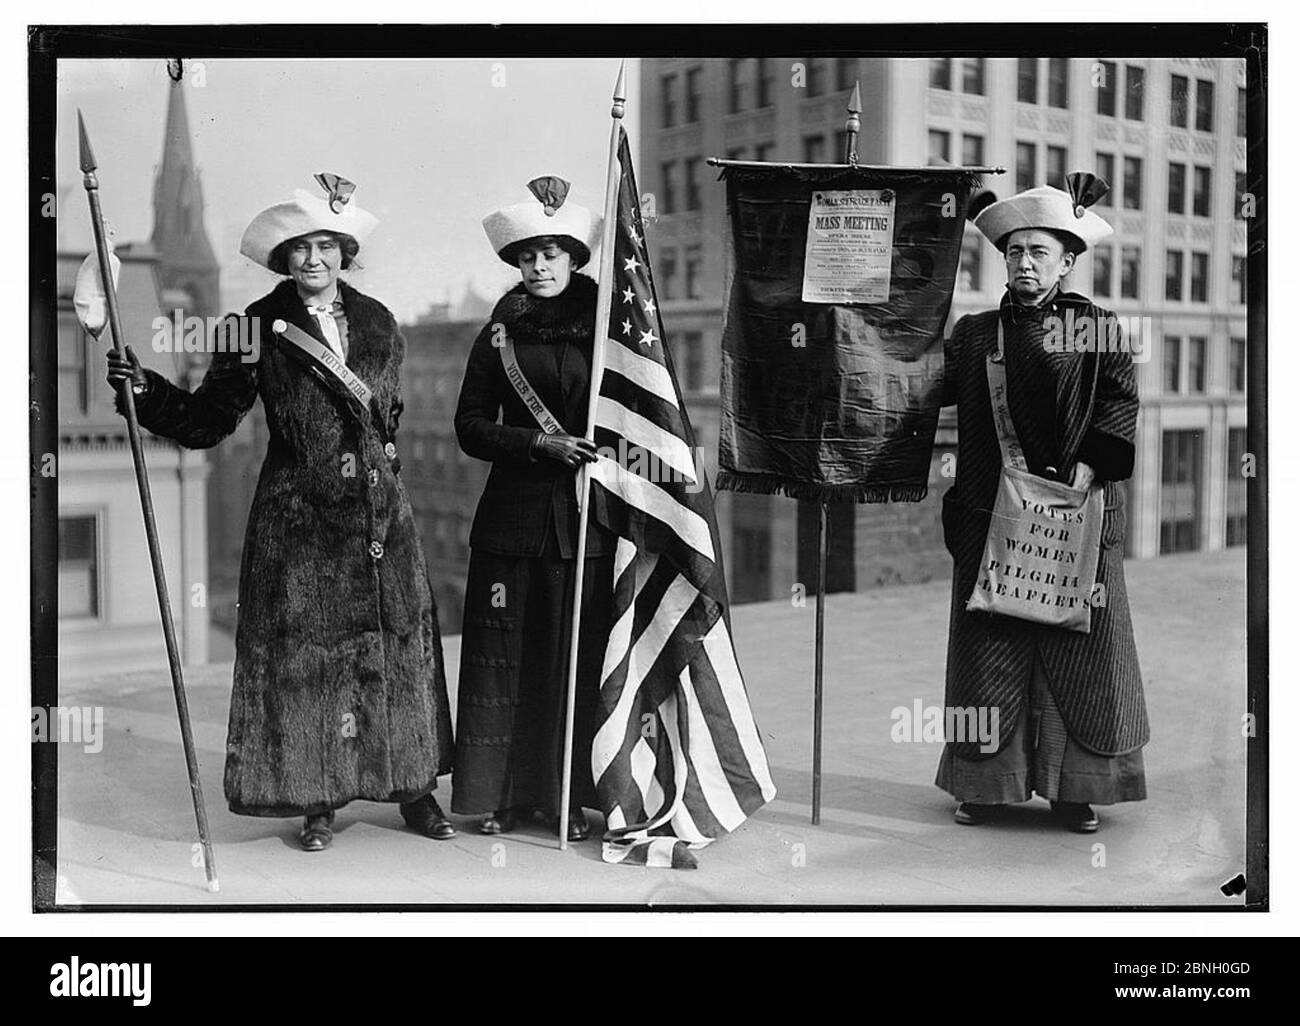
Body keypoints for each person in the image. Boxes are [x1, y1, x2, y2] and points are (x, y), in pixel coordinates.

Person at [103, 174, 455, 851]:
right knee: (307, 660)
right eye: (300, 247)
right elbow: (209, 420)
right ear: (282, 256)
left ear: (344, 250)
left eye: (326, 245)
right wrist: (145, 390)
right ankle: (315, 798)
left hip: (382, 518)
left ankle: (415, 788)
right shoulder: (251, 326)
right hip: (299, 521)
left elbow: (388, 417)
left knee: (399, 650)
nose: (313, 259)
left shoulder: (380, 320)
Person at [935, 176, 1148, 833]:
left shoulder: (1095, 328)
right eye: (1015, 253)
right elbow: (926, 392)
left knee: (1076, 654)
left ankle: (1074, 790)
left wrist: (1087, 468)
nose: (1024, 264)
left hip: (1073, 515)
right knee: (991, 649)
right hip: (988, 516)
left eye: (1039, 253)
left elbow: (1117, 401)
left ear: (1067, 261)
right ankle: (985, 785)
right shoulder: (975, 335)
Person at [451, 175, 614, 841]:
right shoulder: (499, 335)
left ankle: (568, 797)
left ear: (574, 259)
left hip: (586, 520)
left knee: (570, 659)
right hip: (513, 522)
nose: (539, 266)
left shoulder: (610, 332)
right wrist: (535, 443)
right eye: (527, 256)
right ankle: (502, 797)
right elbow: (468, 426)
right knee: (505, 658)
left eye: (551, 253)